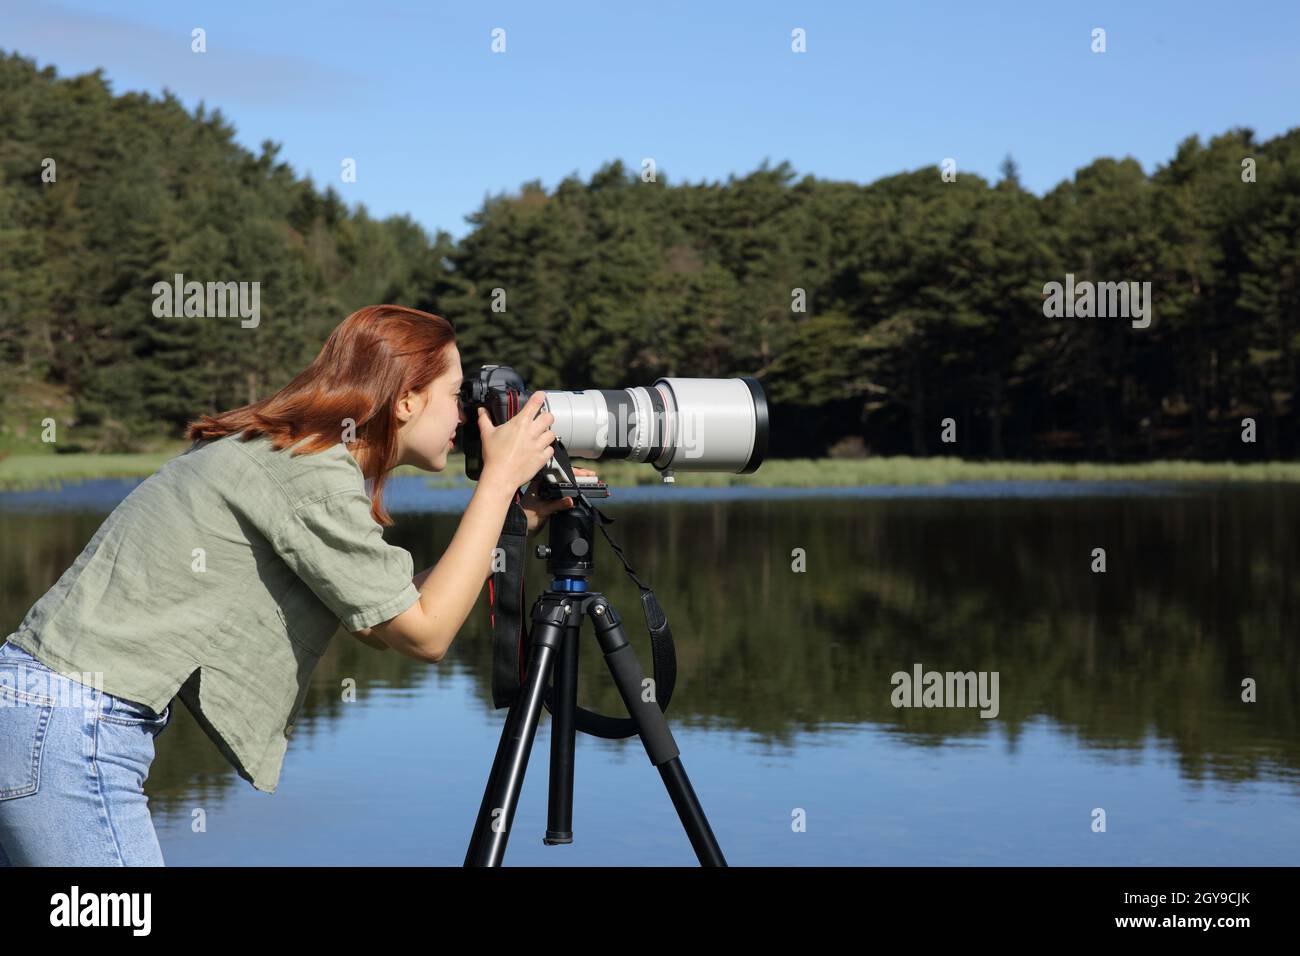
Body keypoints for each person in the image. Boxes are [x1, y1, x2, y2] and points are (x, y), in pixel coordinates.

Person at [0, 304, 597, 866]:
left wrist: (514, 518)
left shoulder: (295, 453)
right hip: (70, 731)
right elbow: (427, 633)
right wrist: (497, 483)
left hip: (43, 719)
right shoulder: (310, 472)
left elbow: (387, 618)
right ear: (407, 400)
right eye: (455, 395)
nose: (466, 416)